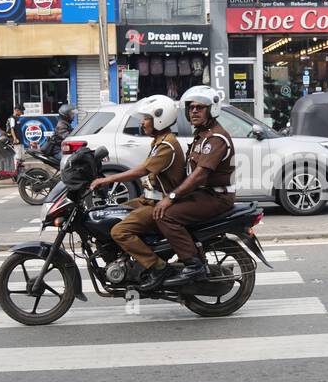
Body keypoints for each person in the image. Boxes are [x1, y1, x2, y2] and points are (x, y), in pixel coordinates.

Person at [92, 96, 185, 289]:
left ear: (161, 119)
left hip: (161, 205)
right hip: (148, 200)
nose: (142, 122)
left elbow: (142, 170)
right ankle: (127, 258)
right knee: (112, 213)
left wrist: (107, 179)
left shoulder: (167, 146)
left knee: (120, 231)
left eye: (147, 118)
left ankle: (158, 267)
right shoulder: (160, 141)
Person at [151, 86, 236, 287]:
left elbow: (199, 176)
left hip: (216, 198)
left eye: (200, 107)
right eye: (191, 108)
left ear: (212, 110)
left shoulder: (216, 138)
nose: (194, 111)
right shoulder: (202, 135)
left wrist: (171, 197)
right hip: (203, 195)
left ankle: (193, 264)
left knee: (166, 215)